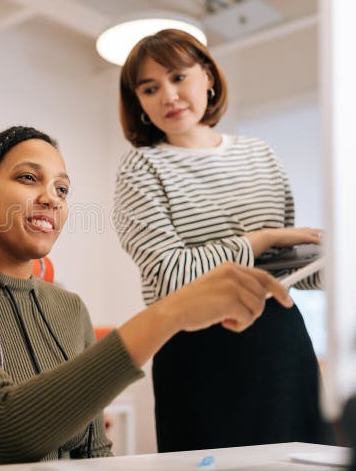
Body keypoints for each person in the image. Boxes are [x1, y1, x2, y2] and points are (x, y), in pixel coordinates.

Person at [0, 126, 292, 469]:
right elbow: (3, 431)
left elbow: (94, 452)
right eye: (29, 178)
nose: (51, 197)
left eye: (62, 188)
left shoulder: (69, 308)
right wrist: (169, 313)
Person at [112, 28, 333, 451]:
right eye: (150, 88)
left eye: (179, 77)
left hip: (280, 343)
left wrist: (335, 261)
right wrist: (261, 238)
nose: (169, 96)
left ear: (208, 77)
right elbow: (168, 276)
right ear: (137, 101)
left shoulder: (259, 155)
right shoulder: (140, 168)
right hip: (195, 349)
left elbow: (283, 269)